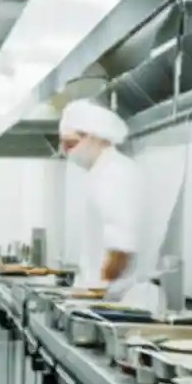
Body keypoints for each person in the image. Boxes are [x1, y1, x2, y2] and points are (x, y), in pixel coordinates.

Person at [59, 99, 143, 297]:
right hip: (99, 295)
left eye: (71, 144)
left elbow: (122, 247)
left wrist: (99, 290)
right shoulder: (99, 172)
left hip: (111, 299)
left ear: (95, 138)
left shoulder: (115, 172)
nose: (68, 153)